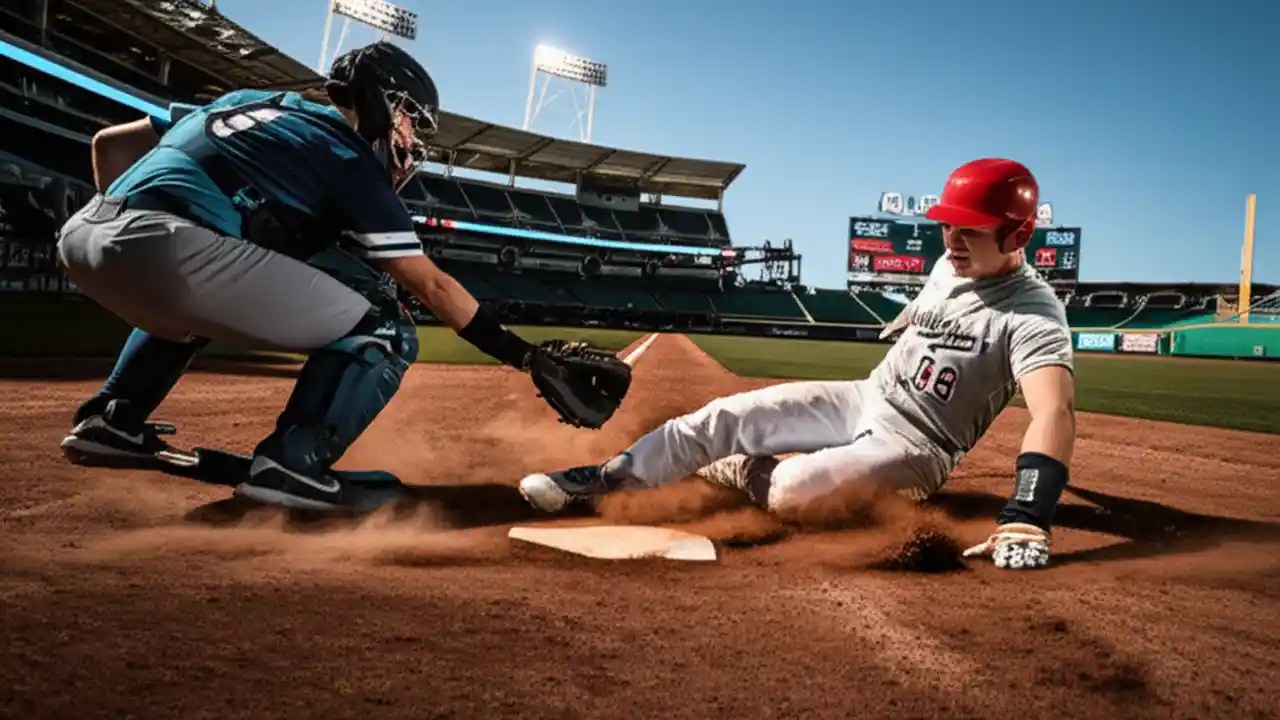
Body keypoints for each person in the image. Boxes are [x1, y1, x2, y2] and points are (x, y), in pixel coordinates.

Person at [55, 42, 577, 513]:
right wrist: (523, 356)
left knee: (192, 303)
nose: (411, 138)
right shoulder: (348, 158)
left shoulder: (247, 100)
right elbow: (430, 285)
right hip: (173, 248)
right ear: (383, 103)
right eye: (411, 120)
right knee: (385, 322)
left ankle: (110, 421)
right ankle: (292, 465)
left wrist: (129, 236)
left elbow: (109, 145)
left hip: (86, 233)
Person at [518, 158, 1077, 570]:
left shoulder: (1033, 314)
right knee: (724, 416)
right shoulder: (950, 262)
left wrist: (1028, 512)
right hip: (867, 395)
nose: (952, 239)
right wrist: (910, 318)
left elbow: (1053, 412)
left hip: (917, 445)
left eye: (969, 230)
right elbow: (945, 295)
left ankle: (737, 468)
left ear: (1018, 234)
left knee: (790, 493)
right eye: (946, 225)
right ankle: (610, 477)